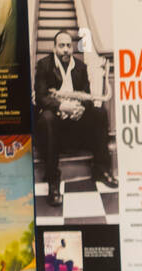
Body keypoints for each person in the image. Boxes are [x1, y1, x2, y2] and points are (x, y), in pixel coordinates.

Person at [34, 29, 117, 206]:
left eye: (68, 46)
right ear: (54, 47)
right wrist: (62, 106)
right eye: (61, 45)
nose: (65, 50)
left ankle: (100, 169)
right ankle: (53, 180)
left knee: (99, 112)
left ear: (72, 48)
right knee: (47, 118)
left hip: (75, 127)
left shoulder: (80, 67)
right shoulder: (43, 65)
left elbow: (85, 95)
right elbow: (41, 97)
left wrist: (79, 109)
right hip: (54, 126)